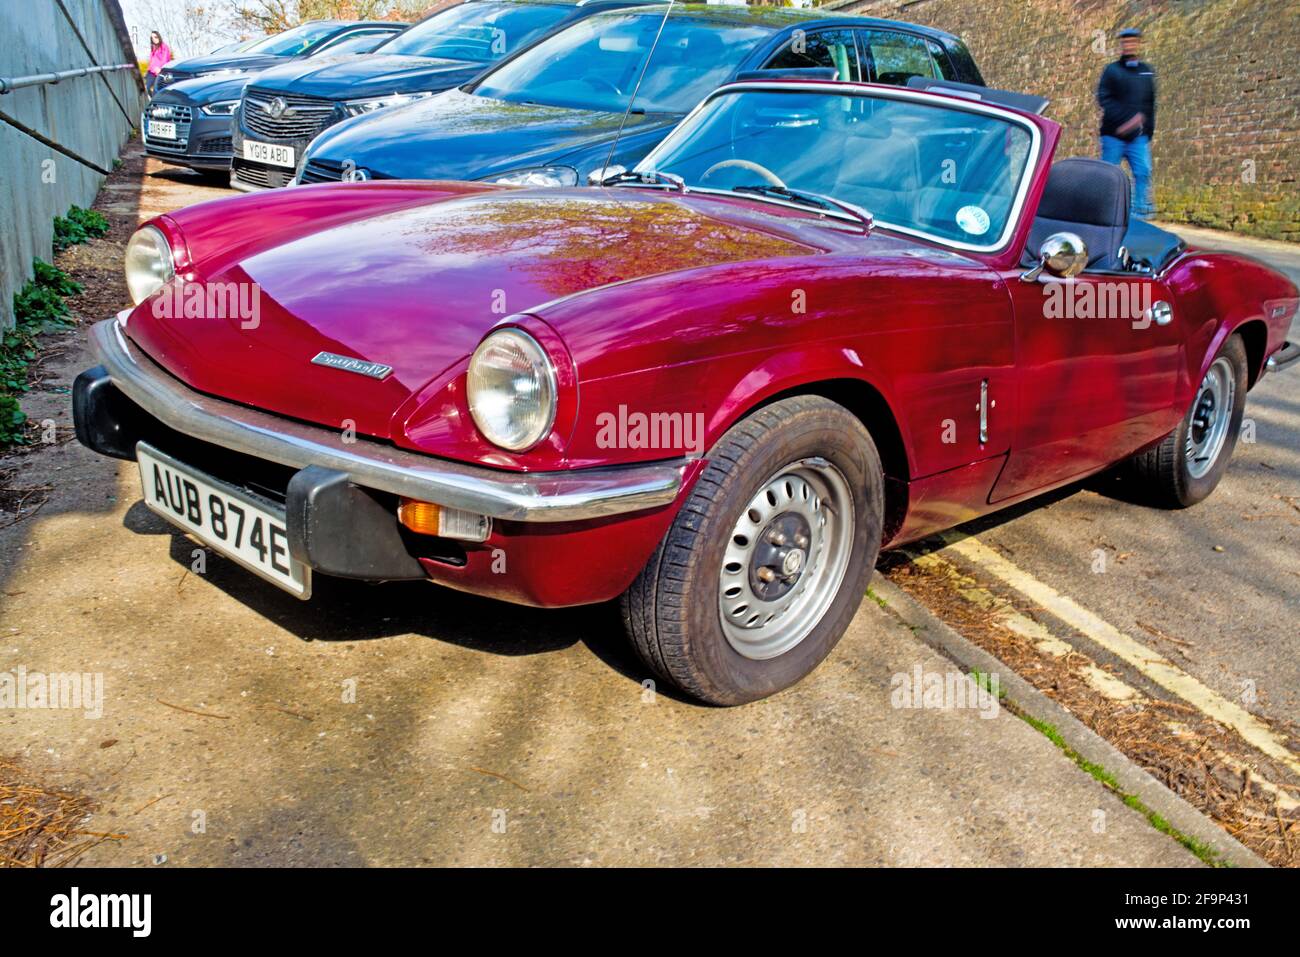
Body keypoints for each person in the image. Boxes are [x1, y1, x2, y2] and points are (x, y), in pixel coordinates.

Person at [1097, 27, 1157, 219]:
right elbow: (1104, 99)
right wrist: (1126, 122)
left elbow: (1150, 104)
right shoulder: (1112, 71)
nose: (1129, 45)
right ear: (1121, 45)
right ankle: (1105, 212)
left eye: (1133, 42)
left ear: (1138, 44)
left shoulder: (1146, 72)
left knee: (1143, 171)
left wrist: (1148, 131)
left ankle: (1139, 212)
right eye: (1126, 42)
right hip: (1113, 136)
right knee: (1109, 175)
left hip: (1138, 138)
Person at [145, 31, 171, 98]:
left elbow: (165, 59)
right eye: (152, 38)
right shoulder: (153, 48)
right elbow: (151, 61)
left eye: (155, 37)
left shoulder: (164, 47)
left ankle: (156, 103)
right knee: (146, 89)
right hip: (151, 71)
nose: (154, 39)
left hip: (160, 71)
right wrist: (148, 70)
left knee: (157, 90)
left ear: (159, 37)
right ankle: (152, 100)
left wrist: (160, 69)